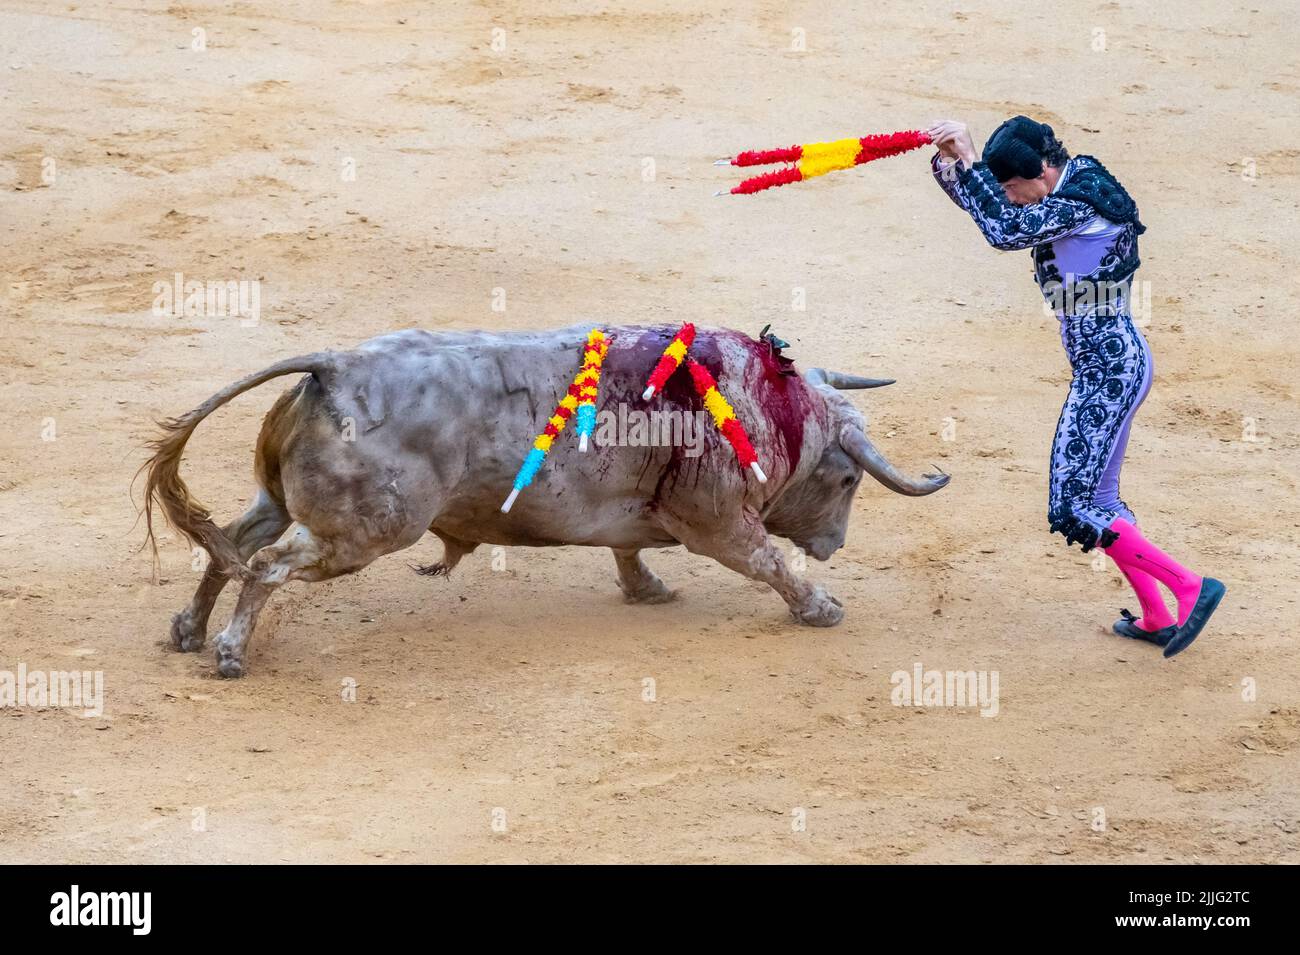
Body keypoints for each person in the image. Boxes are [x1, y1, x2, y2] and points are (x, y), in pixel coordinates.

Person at [925, 115, 1224, 657]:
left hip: (1108, 372)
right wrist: (948, 161)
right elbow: (991, 208)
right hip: (1114, 364)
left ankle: (1189, 586)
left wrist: (968, 162)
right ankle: (1157, 615)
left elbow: (1002, 229)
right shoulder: (1072, 178)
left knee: (1072, 507)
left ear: (1040, 171)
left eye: (1014, 188)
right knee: (1100, 499)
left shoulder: (1077, 204)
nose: (1011, 199)